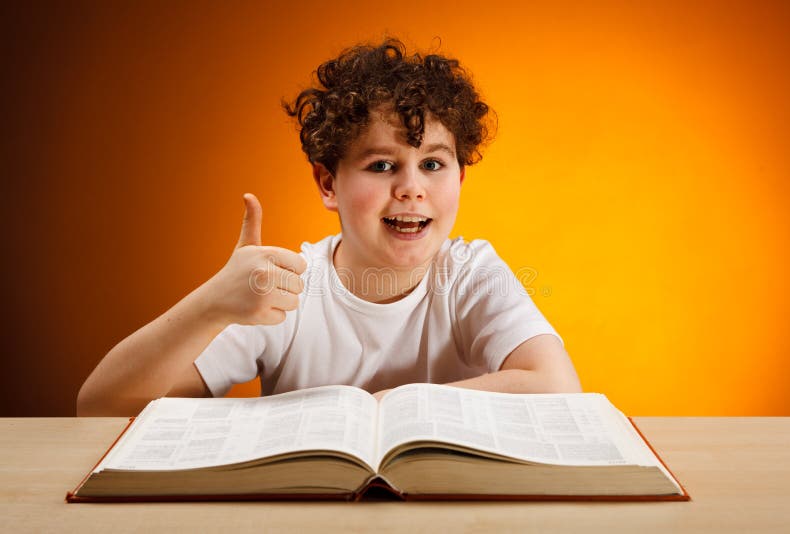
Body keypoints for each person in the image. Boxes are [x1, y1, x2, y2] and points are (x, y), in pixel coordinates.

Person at [77, 39, 581, 416]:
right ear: (328, 184)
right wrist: (211, 304)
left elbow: (558, 388)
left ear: (460, 178)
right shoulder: (284, 289)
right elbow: (101, 407)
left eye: (432, 164)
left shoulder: (472, 274)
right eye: (382, 165)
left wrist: (388, 405)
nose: (411, 188)